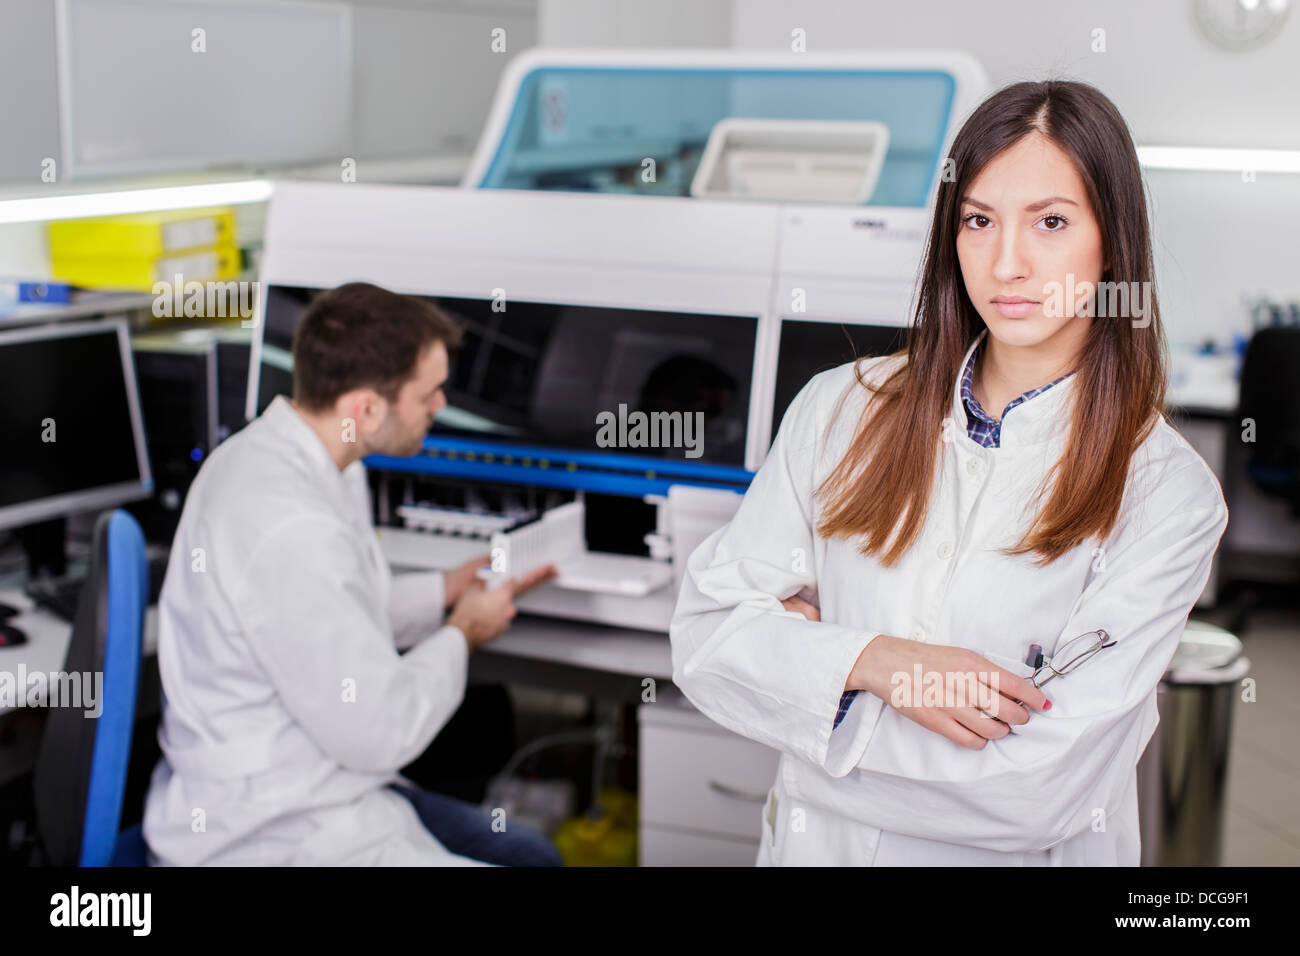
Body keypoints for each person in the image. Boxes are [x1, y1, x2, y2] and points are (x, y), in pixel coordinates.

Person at [670, 80, 1229, 866]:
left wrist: (813, 697)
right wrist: (880, 664)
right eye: (978, 220)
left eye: (1052, 222)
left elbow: (1035, 796)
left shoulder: (1166, 492)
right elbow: (702, 641)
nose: (1008, 261)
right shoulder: (841, 409)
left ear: (1113, 241)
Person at [143, 282, 562, 866]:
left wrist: (445, 590)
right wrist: (464, 632)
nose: (441, 406)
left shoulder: (304, 457)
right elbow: (379, 730)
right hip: (273, 827)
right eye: (430, 393)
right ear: (365, 409)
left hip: (321, 784)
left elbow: (332, 620)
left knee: (530, 855)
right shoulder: (291, 524)